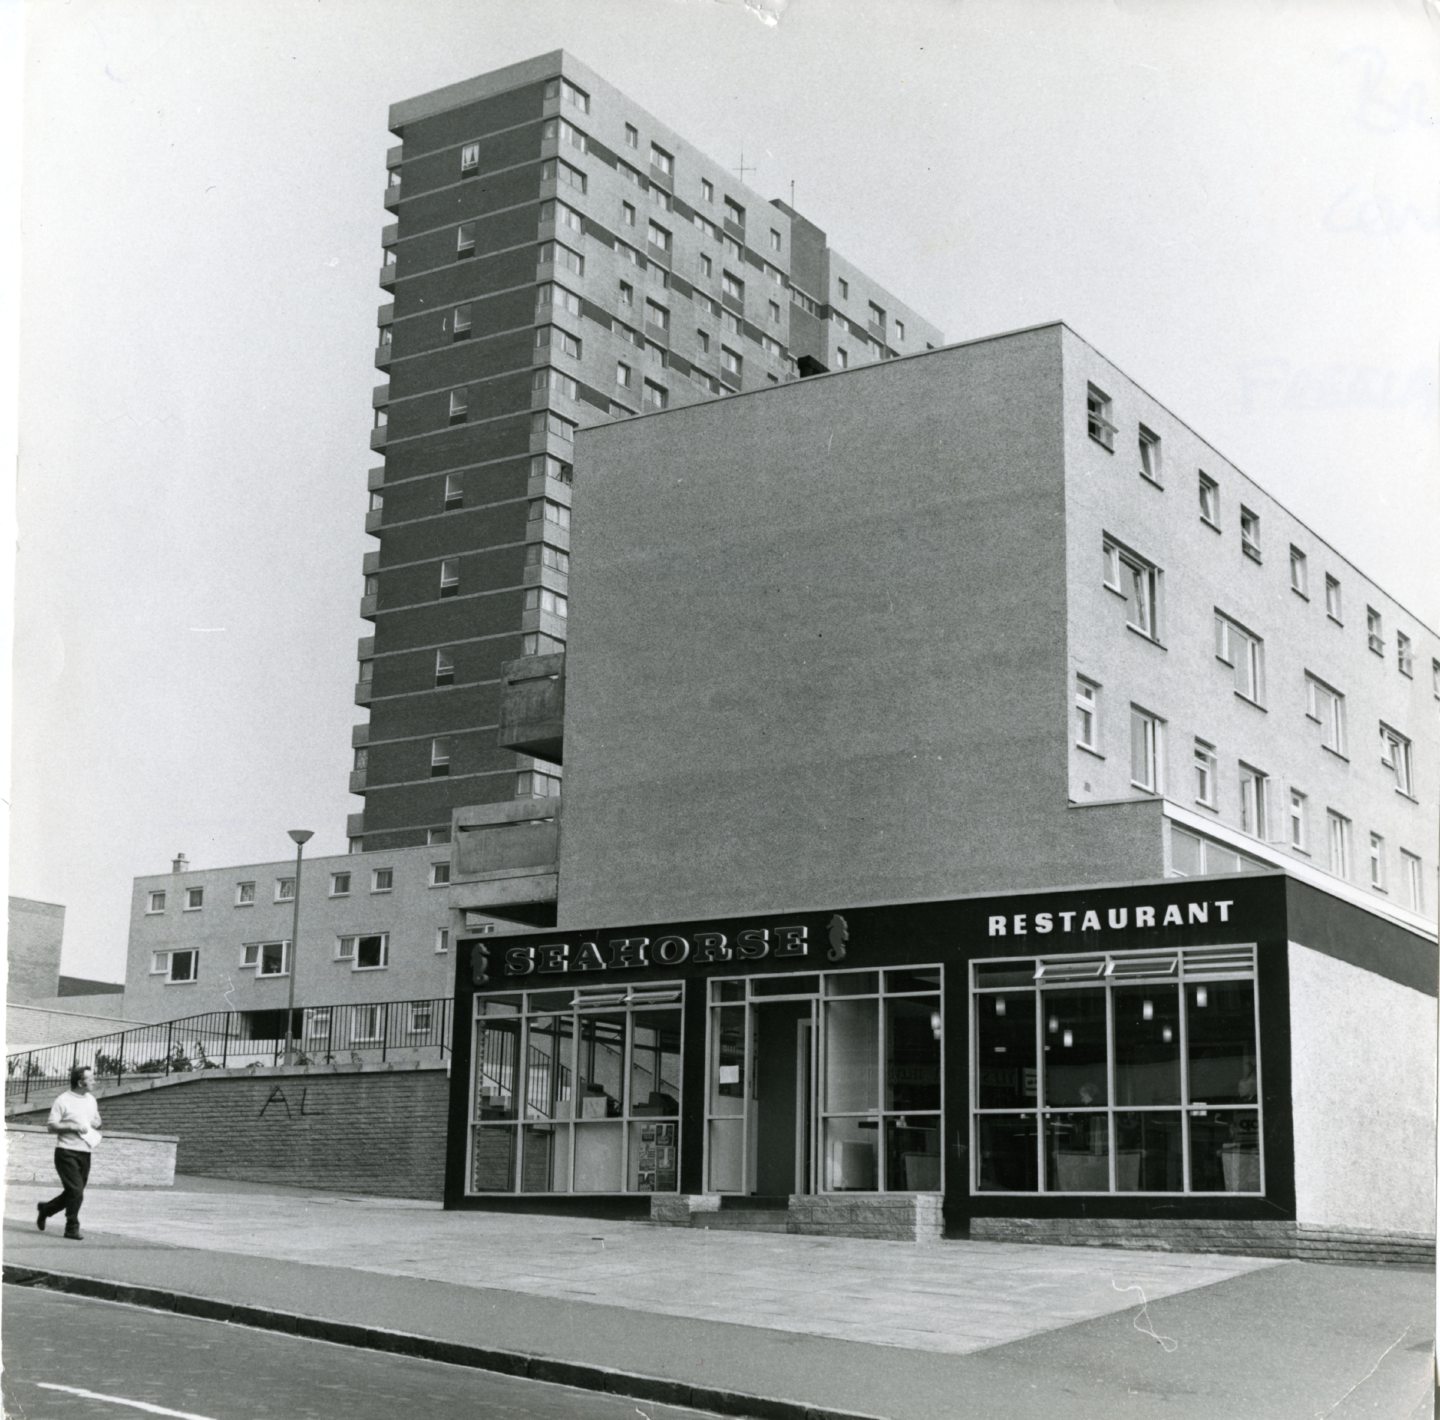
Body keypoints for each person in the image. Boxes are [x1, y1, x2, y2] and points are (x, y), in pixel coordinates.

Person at [37, 1064, 102, 1240]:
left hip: (85, 1152)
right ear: (81, 1082)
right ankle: (71, 1227)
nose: (94, 1081)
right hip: (66, 1152)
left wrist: (96, 1122)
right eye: (91, 1079)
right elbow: (51, 1126)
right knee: (76, 1192)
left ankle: (46, 1209)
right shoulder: (62, 1100)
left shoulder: (91, 1100)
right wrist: (72, 1127)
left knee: (74, 1192)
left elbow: (96, 1119)